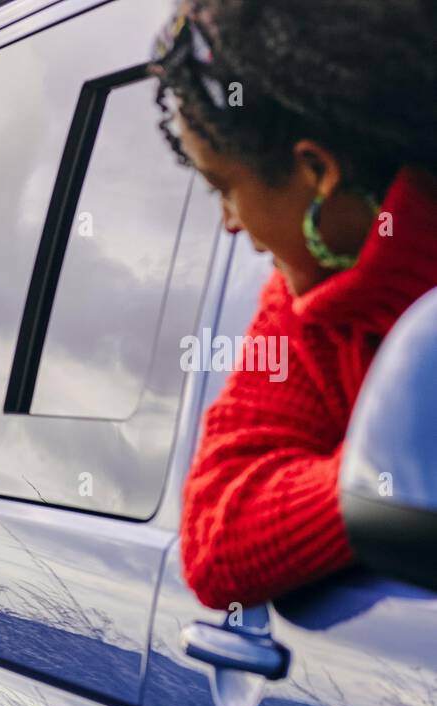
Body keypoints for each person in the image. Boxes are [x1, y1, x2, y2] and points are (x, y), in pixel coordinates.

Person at [150, 0, 437, 609]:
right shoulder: (311, 299)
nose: (227, 223)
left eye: (224, 188)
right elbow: (216, 535)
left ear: (317, 170)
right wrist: (374, 477)